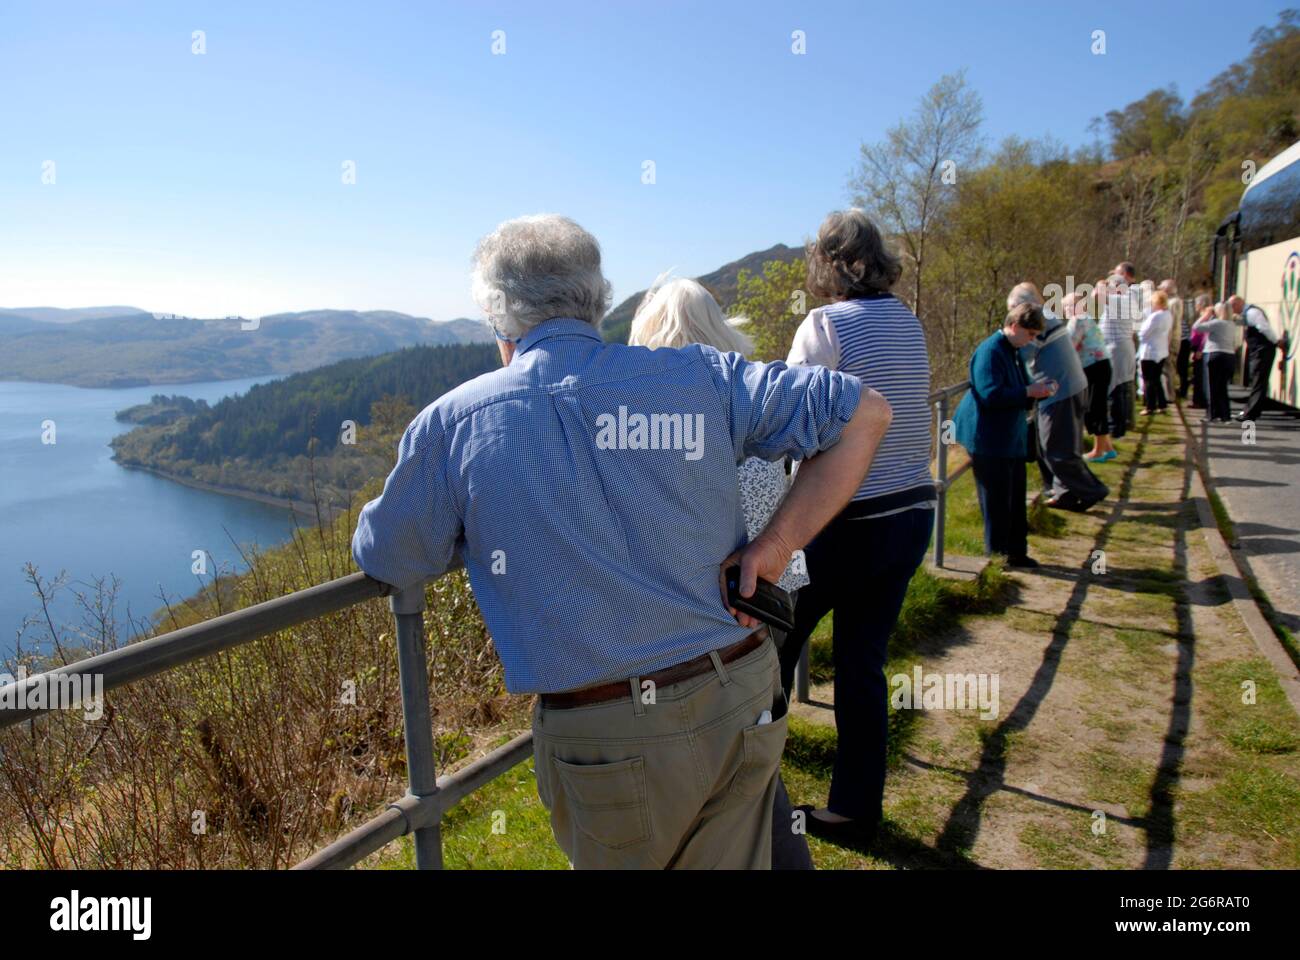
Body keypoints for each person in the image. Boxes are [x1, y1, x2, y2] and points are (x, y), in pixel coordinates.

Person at [351, 214, 894, 869]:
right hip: (742, 687)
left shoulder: (454, 425)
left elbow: (388, 556)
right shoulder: (702, 376)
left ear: (497, 315)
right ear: (599, 298)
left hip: (610, 734)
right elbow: (867, 412)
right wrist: (773, 548)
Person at [627, 275, 813, 870]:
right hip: (775, 599)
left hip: (709, 617)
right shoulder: (749, 398)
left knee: (715, 763)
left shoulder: (654, 421)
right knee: (756, 744)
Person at [773, 209, 935, 848]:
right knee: (864, 665)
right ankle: (854, 810)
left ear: (828, 263)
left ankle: (749, 793)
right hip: (912, 510)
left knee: (768, 656)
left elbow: (791, 420)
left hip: (844, 522)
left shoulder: (824, 325)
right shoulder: (909, 321)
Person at [954, 302, 1054, 567]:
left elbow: (1022, 384)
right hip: (988, 437)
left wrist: (1037, 389)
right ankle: (998, 558)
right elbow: (990, 394)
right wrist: (1028, 392)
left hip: (1010, 437)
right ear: (1014, 325)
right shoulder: (990, 351)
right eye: (1030, 334)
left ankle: (1016, 552)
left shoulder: (1014, 350)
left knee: (1014, 495)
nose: (1031, 341)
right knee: (996, 500)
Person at [1011, 282, 1108, 512]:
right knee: (1055, 445)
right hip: (1069, 386)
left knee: (1056, 448)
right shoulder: (1048, 316)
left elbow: (1022, 351)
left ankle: (1092, 490)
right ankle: (1064, 493)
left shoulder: (1037, 321)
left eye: (1014, 309)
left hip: (1061, 389)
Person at [1064, 291, 1115, 462]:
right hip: (1100, 365)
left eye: (1069, 306)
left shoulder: (1078, 319)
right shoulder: (1086, 317)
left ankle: (1098, 451)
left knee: (1095, 408)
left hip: (1094, 366)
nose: (1066, 310)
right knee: (1096, 405)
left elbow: (1069, 345)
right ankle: (1108, 448)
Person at [1230, 295, 1280, 423]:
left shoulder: (1252, 313)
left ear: (1238, 304)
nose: (1231, 310)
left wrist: (1276, 341)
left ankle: (1250, 413)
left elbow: (1264, 328)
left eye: (1232, 306)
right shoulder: (1246, 313)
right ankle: (1251, 410)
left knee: (1258, 380)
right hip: (1258, 350)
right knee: (1257, 380)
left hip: (1262, 350)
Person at [1100, 272, 1138, 440]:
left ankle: (1115, 428)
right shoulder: (1125, 300)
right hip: (1121, 348)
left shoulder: (1121, 300)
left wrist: (1102, 285)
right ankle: (1120, 427)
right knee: (1120, 389)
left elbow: (1098, 295)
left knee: (1115, 390)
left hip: (1117, 349)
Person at [1194, 300, 1236, 422]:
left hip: (1215, 354)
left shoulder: (1216, 323)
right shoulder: (1231, 324)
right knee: (1222, 387)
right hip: (1229, 356)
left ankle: (1211, 414)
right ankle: (1225, 414)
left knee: (1211, 386)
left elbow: (1196, 327)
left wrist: (1205, 315)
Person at [1137, 289, 1173, 415]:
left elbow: (1143, 333)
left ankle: (1150, 405)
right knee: (1156, 379)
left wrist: (1140, 334)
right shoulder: (1168, 315)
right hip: (1161, 349)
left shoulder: (1155, 316)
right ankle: (1162, 403)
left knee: (1148, 380)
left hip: (1150, 351)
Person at [1189, 294, 1211, 409]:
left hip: (1200, 349)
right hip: (1196, 347)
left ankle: (1199, 401)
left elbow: (1205, 335)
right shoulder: (1203, 316)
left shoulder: (1206, 317)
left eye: (1197, 304)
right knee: (1197, 375)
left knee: (1200, 376)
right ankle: (1197, 400)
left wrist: (1200, 350)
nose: (1195, 306)